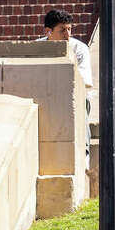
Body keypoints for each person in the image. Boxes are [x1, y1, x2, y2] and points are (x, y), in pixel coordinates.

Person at [40, 8, 96, 150]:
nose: (68, 35)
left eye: (69, 29)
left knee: (81, 105)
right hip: (45, 96)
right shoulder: (37, 47)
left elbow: (84, 81)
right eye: (62, 30)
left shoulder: (79, 49)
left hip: (74, 97)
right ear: (48, 31)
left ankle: (84, 152)